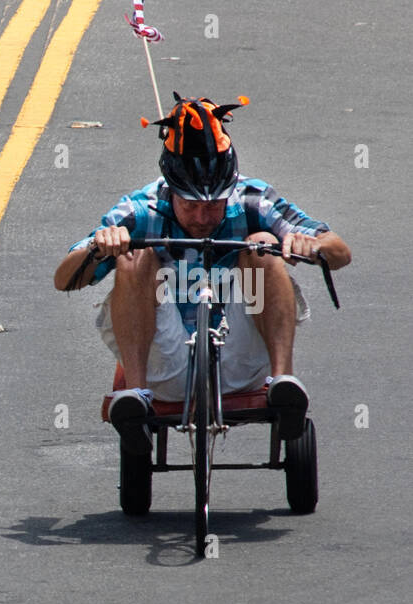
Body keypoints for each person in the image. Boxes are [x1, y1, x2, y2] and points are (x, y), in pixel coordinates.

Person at [53, 94, 351, 454]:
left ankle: (283, 385)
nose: (202, 218)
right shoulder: (142, 208)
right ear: (171, 190)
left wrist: (314, 246)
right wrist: (100, 247)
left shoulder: (252, 200)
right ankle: (136, 398)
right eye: (190, 206)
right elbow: (64, 279)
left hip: (241, 358)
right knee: (134, 255)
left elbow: (339, 251)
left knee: (261, 243)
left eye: (213, 206)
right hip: (164, 361)